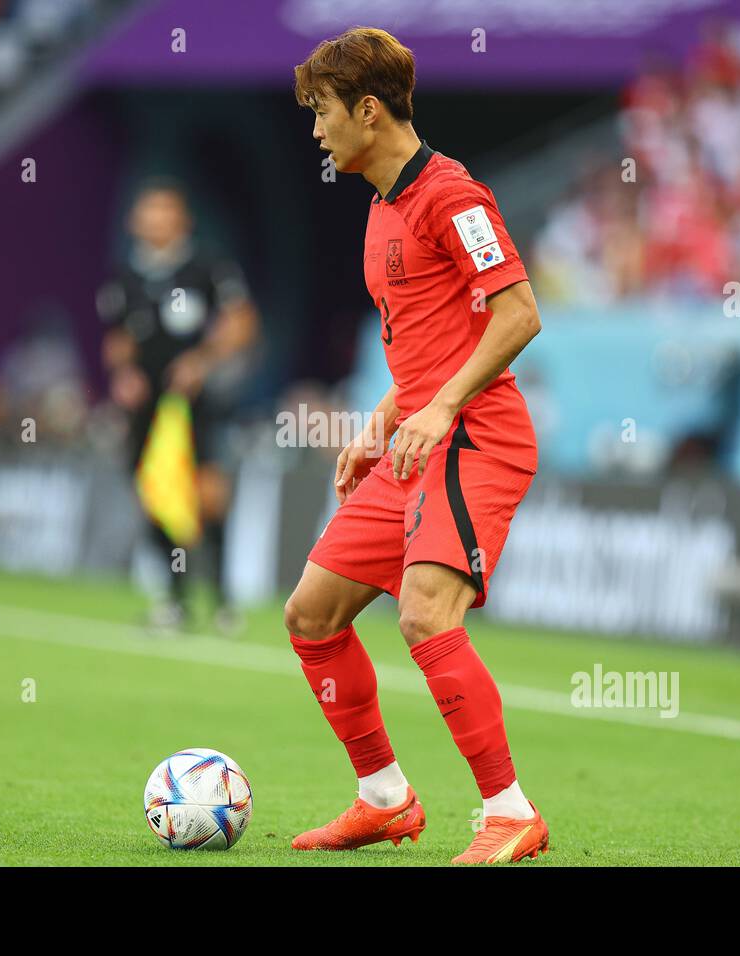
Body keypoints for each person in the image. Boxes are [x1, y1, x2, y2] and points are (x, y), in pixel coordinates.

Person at [283, 28, 547, 864]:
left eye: (323, 112)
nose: (316, 131)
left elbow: (518, 315)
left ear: (369, 109)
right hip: (416, 441)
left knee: (426, 615)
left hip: (477, 438)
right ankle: (384, 798)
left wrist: (440, 412)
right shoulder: (382, 206)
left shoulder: (454, 198)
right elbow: (428, 340)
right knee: (311, 616)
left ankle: (509, 812)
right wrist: (382, 422)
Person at [97, 179, 259, 632]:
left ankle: (225, 599)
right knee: (154, 496)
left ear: (183, 219)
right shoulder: (124, 277)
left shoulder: (207, 266)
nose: (157, 220)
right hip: (146, 406)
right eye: (149, 211)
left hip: (195, 402)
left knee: (208, 495)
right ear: (135, 221)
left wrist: (203, 361)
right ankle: (174, 600)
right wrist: (123, 374)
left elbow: (243, 321)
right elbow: (118, 339)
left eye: (166, 211)